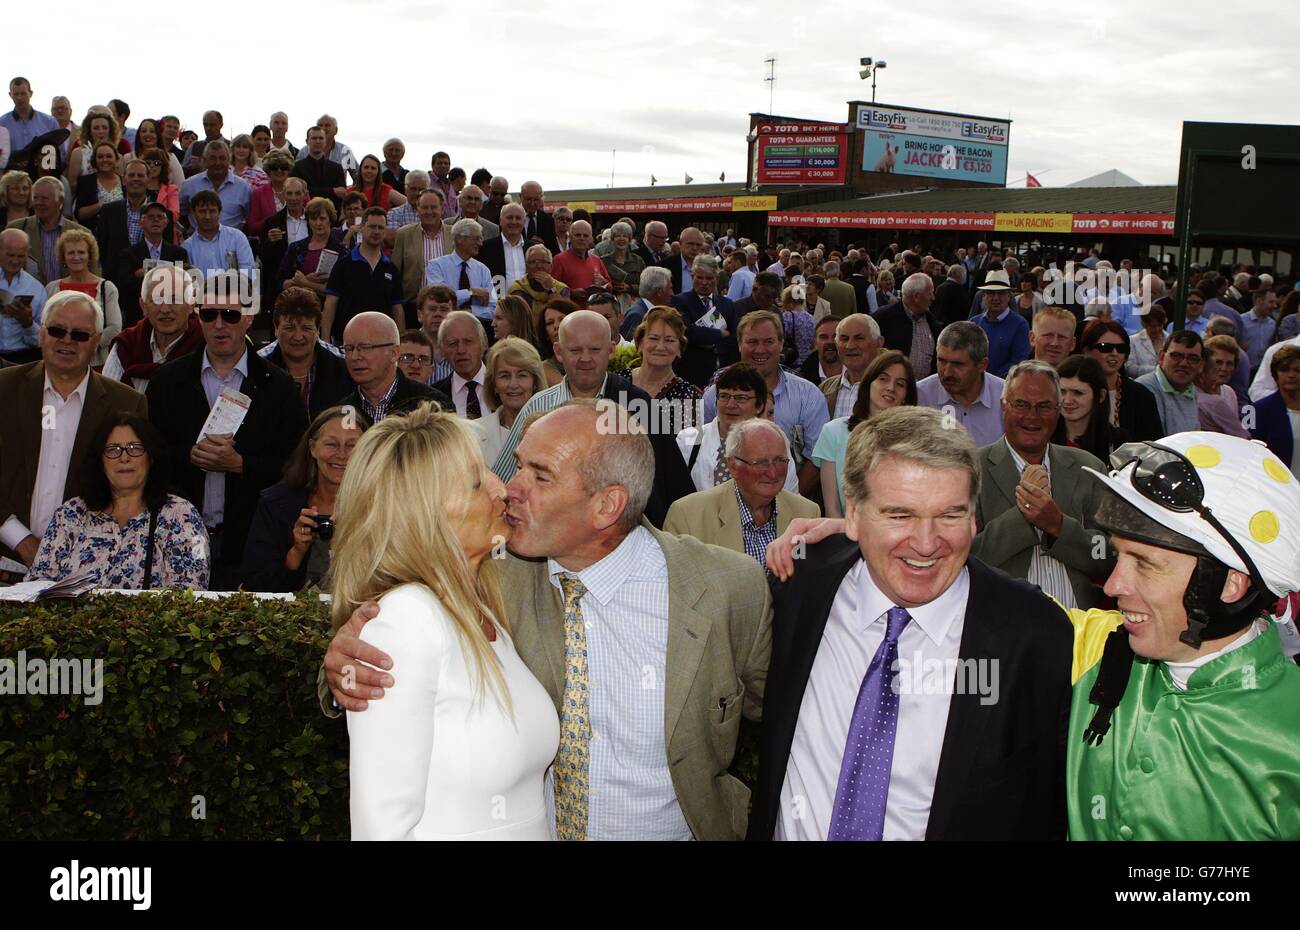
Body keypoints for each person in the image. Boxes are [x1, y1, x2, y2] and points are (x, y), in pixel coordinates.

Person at [325, 399, 771, 840]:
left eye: (539, 476)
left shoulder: (727, 589)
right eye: (517, 465)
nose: (509, 488)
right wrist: (345, 666)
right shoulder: (493, 571)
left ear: (606, 506)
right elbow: (398, 628)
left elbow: (791, 715)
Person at [749, 405, 1071, 840]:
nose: (926, 543)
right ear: (854, 516)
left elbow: (1044, 808)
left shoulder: (1033, 635)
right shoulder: (801, 580)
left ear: (975, 516)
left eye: (950, 514)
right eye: (899, 515)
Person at [328, 403, 557, 839]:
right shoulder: (407, 620)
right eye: (475, 483)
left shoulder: (483, 608)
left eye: (488, 470)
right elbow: (383, 827)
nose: (500, 488)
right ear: (423, 517)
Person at [1067, 432, 1300, 838]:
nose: (1112, 585)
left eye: (1145, 563)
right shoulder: (1094, 650)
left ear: (1228, 584)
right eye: (1120, 556)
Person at [146, 282, 307, 589]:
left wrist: (240, 464)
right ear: (198, 317)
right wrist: (190, 456)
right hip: (178, 535)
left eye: (230, 315)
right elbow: (150, 456)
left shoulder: (280, 387)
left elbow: (295, 467)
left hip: (252, 537)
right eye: (210, 315)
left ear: (249, 317)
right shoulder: (166, 382)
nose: (219, 324)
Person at [490, 311, 694, 525]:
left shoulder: (637, 405)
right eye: (575, 350)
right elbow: (502, 482)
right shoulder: (537, 406)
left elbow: (672, 485)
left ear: (611, 350)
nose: (585, 358)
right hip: (549, 533)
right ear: (558, 352)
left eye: (594, 350)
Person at [0, 291, 149, 569]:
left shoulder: (127, 404)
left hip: (86, 566)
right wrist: (21, 541)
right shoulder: (3, 390)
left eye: (79, 334)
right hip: (6, 561)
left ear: (95, 343)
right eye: (57, 330)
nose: (66, 340)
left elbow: (129, 490)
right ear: (42, 334)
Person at [970, 359, 1113, 610]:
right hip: (1004, 623)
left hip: (1079, 629)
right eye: (1022, 404)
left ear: (1058, 410)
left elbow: (1107, 556)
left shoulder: (1088, 468)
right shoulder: (971, 469)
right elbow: (966, 560)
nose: (1032, 416)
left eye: (1044, 406)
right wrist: (1024, 517)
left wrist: (1058, 526)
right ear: (1003, 407)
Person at [25, 413, 208, 589]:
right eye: (113, 450)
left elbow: (192, 587)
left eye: (135, 448)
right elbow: (38, 580)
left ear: (151, 457)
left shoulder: (182, 515)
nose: (124, 458)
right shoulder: (71, 513)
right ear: (100, 460)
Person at [699, 310, 828, 496]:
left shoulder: (809, 396)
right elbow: (697, 445)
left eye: (768, 341)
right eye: (752, 342)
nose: (760, 349)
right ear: (739, 344)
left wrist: (785, 499)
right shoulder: (714, 395)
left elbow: (817, 457)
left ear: (781, 344)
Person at [241, 405, 366, 593]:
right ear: (312, 448)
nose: (341, 455)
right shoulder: (276, 504)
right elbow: (255, 587)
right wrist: (296, 552)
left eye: (352, 445)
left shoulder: (383, 505)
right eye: (331, 444)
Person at [664, 417, 819, 568]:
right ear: (733, 466)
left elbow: (808, 579)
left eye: (779, 460)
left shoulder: (807, 513)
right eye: (760, 463)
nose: (772, 472)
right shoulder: (688, 517)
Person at [813, 349, 916, 519]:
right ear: (868, 383)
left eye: (900, 384)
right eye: (883, 379)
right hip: (847, 536)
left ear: (906, 396)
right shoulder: (833, 432)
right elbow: (832, 511)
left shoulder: (914, 440)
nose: (890, 388)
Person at [676, 362, 796, 494]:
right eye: (724, 396)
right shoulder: (689, 439)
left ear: (759, 406)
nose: (731, 404)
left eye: (741, 398)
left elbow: (788, 498)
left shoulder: (776, 444)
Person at [102, 264, 203, 392]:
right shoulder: (127, 345)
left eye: (174, 299)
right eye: (156, 299)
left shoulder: (205, 344)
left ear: (191, 305)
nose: (165, 309)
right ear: (143, 306)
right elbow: (108, 398)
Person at [337, 311, 450, 423]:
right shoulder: (340, 412)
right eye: (348, 349)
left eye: (365, 347)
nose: (354, 356)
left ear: (394, 353)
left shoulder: (434, 406)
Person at [257, 286, 352, 417]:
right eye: (289, 328)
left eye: (306, 328)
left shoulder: (344, 365)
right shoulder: (256, 367)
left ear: (318, 329)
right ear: (275, 327)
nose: (298, 336)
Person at [915, 322, 1005, 448]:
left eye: (957, 364)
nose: (947, 372)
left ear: (982, 365)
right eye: (941, 361)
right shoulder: (919, 396)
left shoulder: (1006, 397)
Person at [322, 207, 405, 341]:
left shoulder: (391, 269)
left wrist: (400, 341)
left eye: (380, 227)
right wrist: (325, 340)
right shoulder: (343, 265)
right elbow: (330, 305)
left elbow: (397, 309)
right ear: (361, 227)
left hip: (382, 342)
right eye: (372, 226)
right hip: (347, 341)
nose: (376, 231)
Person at [44, 228, 121, 367]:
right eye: (71, 253)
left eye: (81, 252)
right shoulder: (51, 289)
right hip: (59, 362)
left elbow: (114, 328)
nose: (76, 257)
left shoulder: (107, 288)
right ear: (64, 257)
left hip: (96, 364)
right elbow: (45, 325)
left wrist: (85, 346)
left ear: (90, 256)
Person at [1081, 319, 1163, 442]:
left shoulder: (1141, 395)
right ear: (1087, 350)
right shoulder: (1071, 389)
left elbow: (1152, 443)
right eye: (1105, 347)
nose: (1114, 353)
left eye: (1121, 348)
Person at [469, 336, 545, 467]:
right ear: (494, 385)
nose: (513, 384)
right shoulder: (472, 433)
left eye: (522, 375)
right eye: (504, 376)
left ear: (535, 382)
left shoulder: (552, 429)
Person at [8, 176, 95, 286]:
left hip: (68, 297)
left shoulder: (82, 233)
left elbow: (93, 273)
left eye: (44, 198)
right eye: (35, 198)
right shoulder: (17, 228)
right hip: (28, 299)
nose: (39, 203)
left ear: (61, 200)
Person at [628, 305, 701, 435]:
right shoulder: (616, 383)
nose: (661, 347)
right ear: (639, 344)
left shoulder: (688, 396)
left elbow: (688, 451)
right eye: (653, 338)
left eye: (669, 340)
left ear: (679, 349)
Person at [671, 256, 736, 388]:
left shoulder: (727, 304)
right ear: (692, 277)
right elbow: (689, 332)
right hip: (692, 372)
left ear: (716, 279)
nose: (704, 283)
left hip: (723, 373)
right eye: (700, 278)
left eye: (709, 278)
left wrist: (709, 341)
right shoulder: (680, 301)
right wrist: (720, 334)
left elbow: (734, 336)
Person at [424, 217, 496, 324]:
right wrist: (471, 292)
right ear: (459, 238)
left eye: (481, 239)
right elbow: (440, 298)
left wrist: (470, 311)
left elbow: (493, 308)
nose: (480, 244)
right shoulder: (436, 266)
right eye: (476, 239)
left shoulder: (483, 270)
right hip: (444, 326)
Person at [1057, 354, 1126, 461]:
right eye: (1062, 392)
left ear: (1101, 396)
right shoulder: (1042, 436)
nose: (1067, 400)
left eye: (1077, 393)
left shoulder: (1118, 441)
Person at [392, 190, 453, 307]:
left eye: (433, 207)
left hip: (447, 306)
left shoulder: (454, 234)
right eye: (424, 207)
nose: (429, 212)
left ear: (442, 208)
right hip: (413, 305)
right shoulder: (403, 234)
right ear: (417, 209)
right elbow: (396, 273)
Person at [873, 272, 940, 379]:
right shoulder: (884, 317)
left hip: (925, 390)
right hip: (892, 388)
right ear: (916, 296)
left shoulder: (932, 321)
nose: (933, 298)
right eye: (930, 293)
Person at [277, 197, 344, 301]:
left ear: (330, 220)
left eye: (322, 218)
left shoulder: (341, 251)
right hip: (297, 306)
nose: (318, 223)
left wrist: (305, 282)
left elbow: (340, 289)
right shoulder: (295, 248)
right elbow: (280, 283)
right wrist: (298, 281)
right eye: (313, 218)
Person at [1136, 330, 1202, 436]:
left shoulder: (1191, 390)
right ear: (1161, 356)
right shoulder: (1144, 389)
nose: (1184, 363)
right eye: (1176, 355)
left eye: (1193, 358)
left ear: (1201, 364)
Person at [1248, 344, 1300, 477]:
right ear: (1275, 374)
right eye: (1284, 370)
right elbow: (1247, 453)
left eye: (1297, 370)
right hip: (1274, 485)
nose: (1291, 375)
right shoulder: (1255, 410)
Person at [179, 141, 252, 233]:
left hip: (232, 244)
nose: (218, 163)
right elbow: (181, 214)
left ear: (229, 160)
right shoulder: (189, 185)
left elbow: (249, 219)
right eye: (213, 158)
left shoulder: (243, 187)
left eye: (222, 158)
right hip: (197, 243)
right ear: (204, 160)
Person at [970, 270, 1030, 379]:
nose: (996, 298)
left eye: (1001, 293)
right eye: (991, 293)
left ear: (1009, 296)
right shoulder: (974, 323)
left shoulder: (1020, 324)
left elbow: (1019, 362)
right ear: (984, 296)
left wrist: (990, 380)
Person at [819, 314, 882, 419]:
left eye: (859, 338)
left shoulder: (892, 389)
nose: (850, 346)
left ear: (879, 342)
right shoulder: (825, 389)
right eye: (844, 339)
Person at [0, 227, 46, 364]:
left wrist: (28, 323)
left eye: (20, 256)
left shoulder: (36, 288)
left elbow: (44, 339)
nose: (15, 261)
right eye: (10, 255)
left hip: (22, 358)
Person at [431, 311, 489, 419]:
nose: (461, 350)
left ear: (484, 343)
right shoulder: (432, 398)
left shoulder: (504, 388)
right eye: (453, 343)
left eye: (468, 341)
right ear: (442, 349)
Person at [1195, 334, 1250, 439]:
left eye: (1229, 364)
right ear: (1205, 363)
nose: (1224, 368)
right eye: (1218, 362)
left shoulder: (1229, 393)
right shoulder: (1192, 393)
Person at [290, 126, 346, 208]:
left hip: (331, 216)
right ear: (307, 141)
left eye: (321, 138)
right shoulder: (297, 167)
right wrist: (332, 191)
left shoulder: (336, 168)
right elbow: (300, 193)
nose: (318, 141)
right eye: (314, 138)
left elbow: (342, 194)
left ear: (325, 141)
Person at [247, 151, 297, 239]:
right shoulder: (258, 193)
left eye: (283, 167)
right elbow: (252, 227)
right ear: (268, 170)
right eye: (274, 167)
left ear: (289, 169)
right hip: (270, 244)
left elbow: (309, 216)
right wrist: (273, 223)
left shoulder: (299, 189)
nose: (279, 170)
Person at [477, 203, 527, 291]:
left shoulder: (533, 248)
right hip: (498, 302)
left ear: (524, 221)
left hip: (528, 303)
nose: (514, 222)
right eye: (509, 217)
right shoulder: (485, 248)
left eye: (518, 218)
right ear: (500, 220)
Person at [534, 296, 578, 387]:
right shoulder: (544, 368)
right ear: (545, 334)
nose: (556, 326)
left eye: (561, 319)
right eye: (550, 323)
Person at [603, 221, 644, 312]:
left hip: (633, 307)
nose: (621, 239)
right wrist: (612, 287)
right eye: (618, 236)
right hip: (610, 307)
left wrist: (629, 287)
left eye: (625, 236)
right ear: (612, 239)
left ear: (629, 240)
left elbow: (645, 287)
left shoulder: (638, 261)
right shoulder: (603, 261)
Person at [1027, 305, 1077, 370]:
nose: (1054, 343)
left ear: (1072, 344)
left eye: (1062, 337)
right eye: (1048, 335)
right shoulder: (1016, 378)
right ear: (1032, 338)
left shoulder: (1082, 379)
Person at [1124, 304, 1166, 379]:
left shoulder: (1169, 339)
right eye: (1153, 326)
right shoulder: (1133, 341)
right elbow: (1130, 369)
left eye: (1160, 325)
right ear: (1144, 324)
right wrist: (1158, 370)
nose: (1157, 329)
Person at [800, 315, 842, 385]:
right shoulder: (802, 380)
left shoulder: (861, 375)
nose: (830, 341)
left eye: (836, 336)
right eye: (823, 337)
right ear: (815, 343)